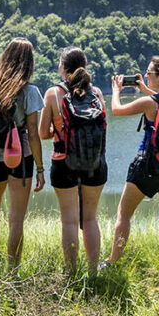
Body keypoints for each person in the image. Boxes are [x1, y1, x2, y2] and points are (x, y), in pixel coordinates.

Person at [102, 56, 159, 283]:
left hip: (147, 165)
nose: (146, 75)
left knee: (123, 215)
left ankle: (112, 263)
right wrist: (144, 88)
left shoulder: (149, 103)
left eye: (150, 73)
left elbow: (117, 110)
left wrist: (116, 90)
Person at [0, 35, 44, 268]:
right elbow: (33, 133)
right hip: (21, 160)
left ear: (6, 57)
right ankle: (12, 269)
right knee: (16, 219)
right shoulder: (30, 91)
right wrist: (41, 169)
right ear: (29, 63)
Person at [38, 47, 107, 272]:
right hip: (95, 163)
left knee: (69, 221)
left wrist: (58, 130)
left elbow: (42, 133)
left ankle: (71, 273)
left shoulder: (53, 94)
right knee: (90, 219)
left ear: (62, 67)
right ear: (84, 66)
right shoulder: (96, 93)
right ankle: (93, 270)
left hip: (64, 162)